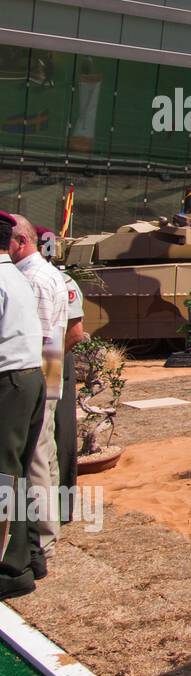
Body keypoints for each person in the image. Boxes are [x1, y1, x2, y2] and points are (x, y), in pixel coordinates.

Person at [6, 214, 67, 575]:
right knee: (44, 455)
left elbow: (40, 336)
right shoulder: (37, 274)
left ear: (21, 242)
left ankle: (42, 539)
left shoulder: (35, 279)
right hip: (46, 370)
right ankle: (45, 529)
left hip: (40, 371)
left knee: (37, 460)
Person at [0, 215, 45, 599]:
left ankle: (11, 571)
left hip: (8, 381)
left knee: (3, 478)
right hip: (29, 376)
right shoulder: (16, 274)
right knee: (17, 472)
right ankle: (30, 554)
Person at [56, 268, 85, 525]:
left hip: (50, 363)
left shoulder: (59, 280)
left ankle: (61, 507)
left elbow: (75, 333)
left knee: (61, 435)